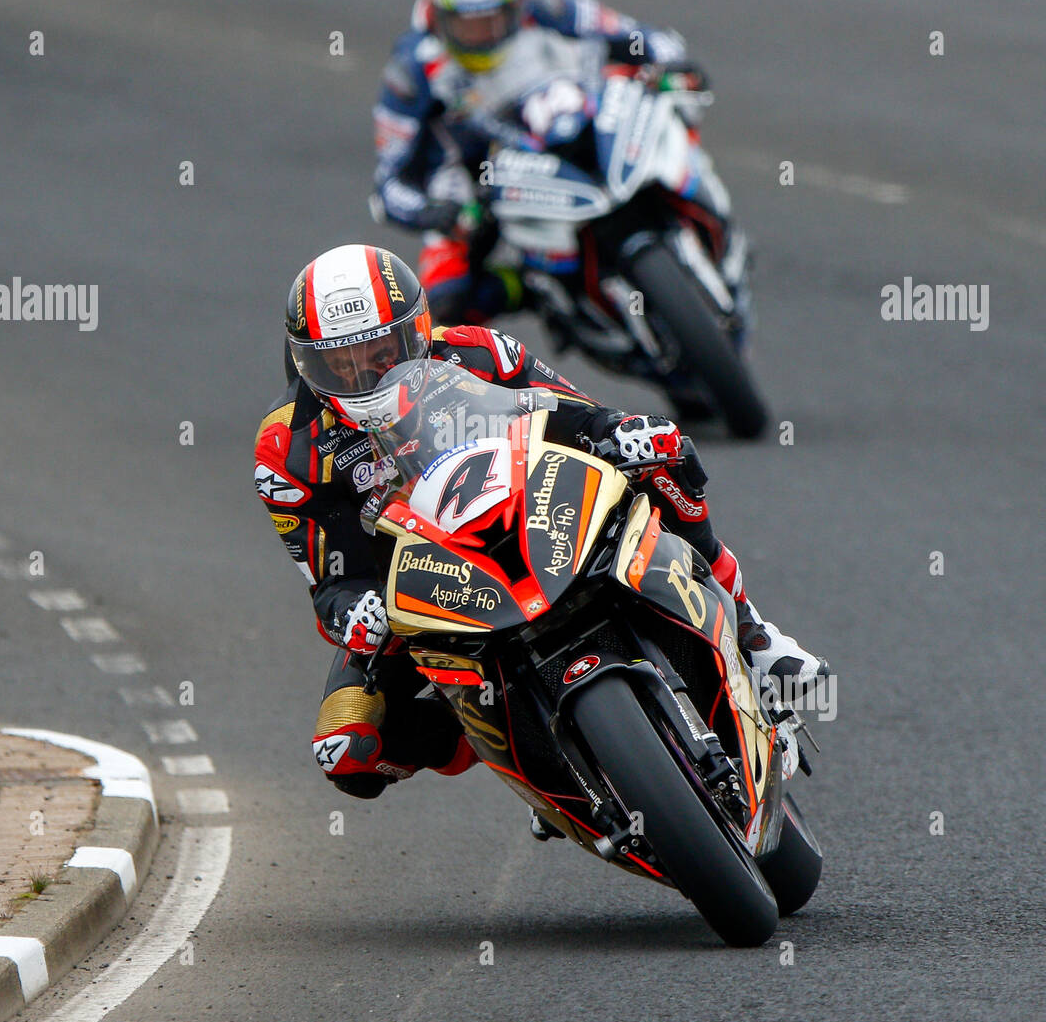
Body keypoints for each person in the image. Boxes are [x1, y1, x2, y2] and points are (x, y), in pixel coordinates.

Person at [257, 244, 823, 800]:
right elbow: (329, 582)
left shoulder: (480, 352)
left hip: (529, 510)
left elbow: (581, 414)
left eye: (382, 351)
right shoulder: (286, 450)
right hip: (421, 587)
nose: (365, 373)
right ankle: (531, 753)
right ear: (309, 362)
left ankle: (752, 633)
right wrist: (356, 612)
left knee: (664, 453)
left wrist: (625, 433)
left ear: (415, 331)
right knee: (347, 747)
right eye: (342, 361)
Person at [372, 0, 716, 324]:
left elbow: (639, 37)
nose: (483, 36)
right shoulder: (411, 71)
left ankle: (700, 198)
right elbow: (388, 186)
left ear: (517, 5)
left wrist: (672, 63)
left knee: (666, 96)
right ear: (438, 17)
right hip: (480, 175)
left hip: (576, 116)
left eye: (493, 19)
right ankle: (531, 287)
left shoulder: (549, 6)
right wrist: (433, 212)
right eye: (468, 25)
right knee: (438, 310)